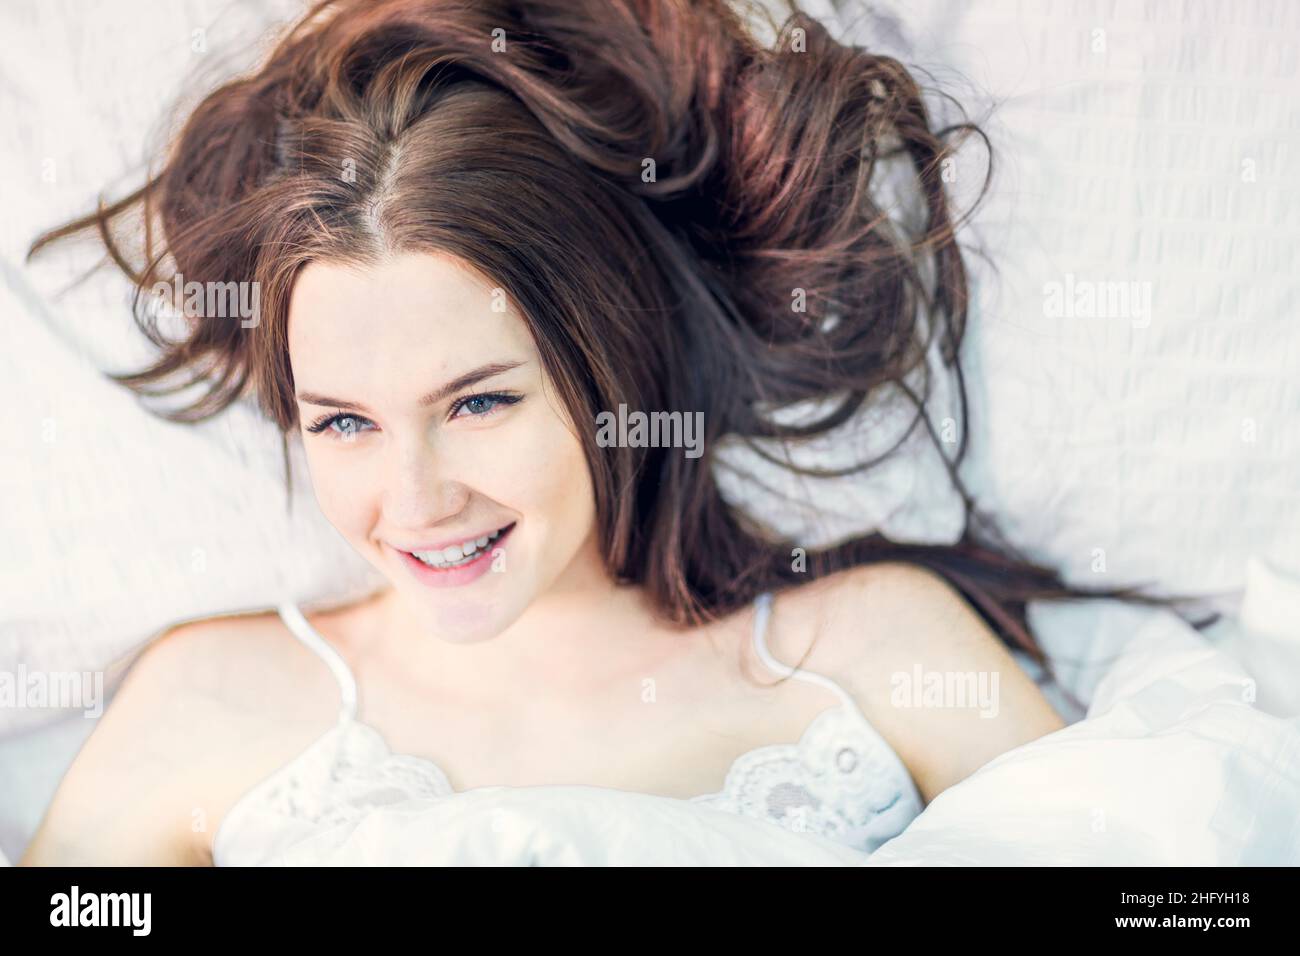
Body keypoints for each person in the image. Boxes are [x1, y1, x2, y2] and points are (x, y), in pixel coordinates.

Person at [23, 0, 1131, 865]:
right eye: (346, 422)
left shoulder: (870, 650)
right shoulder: (215, 694)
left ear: (615, 373)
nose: (413, 500)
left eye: (478, 402)